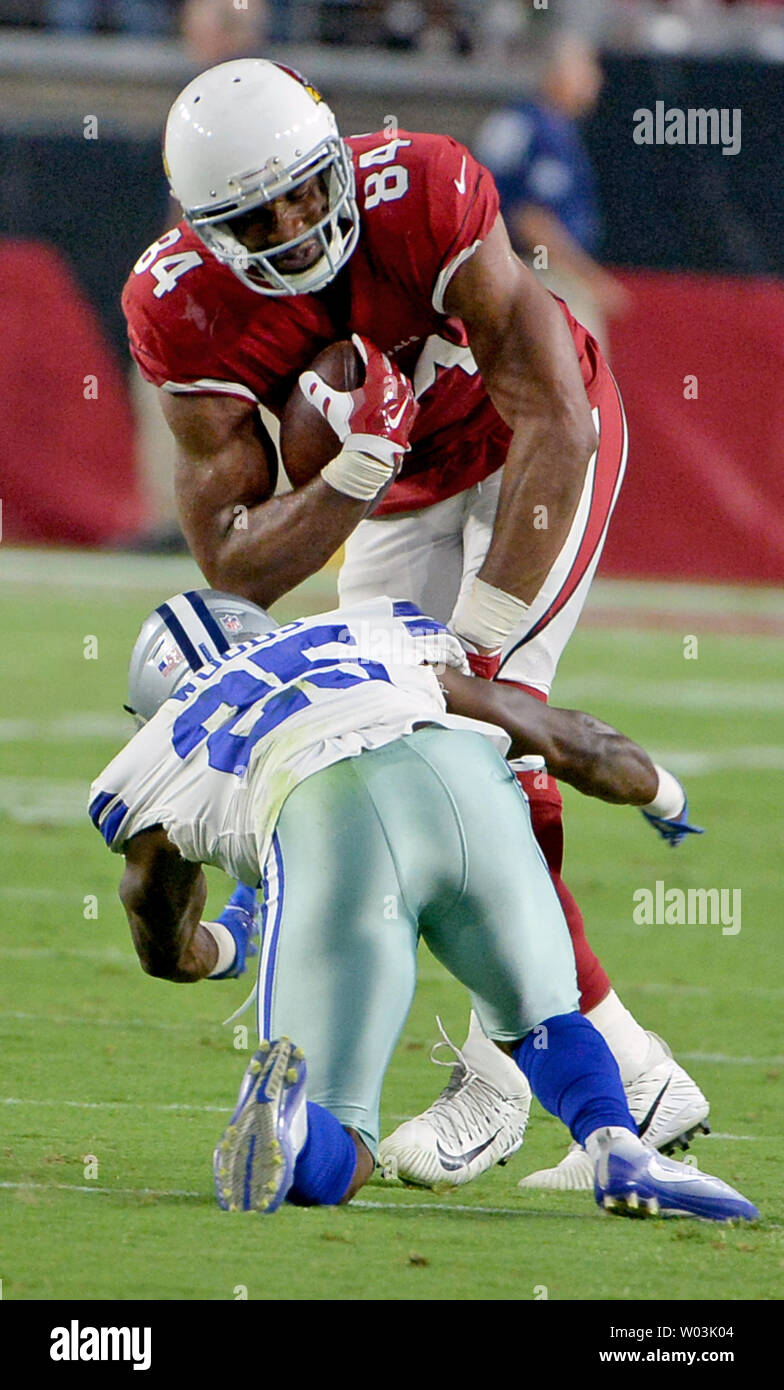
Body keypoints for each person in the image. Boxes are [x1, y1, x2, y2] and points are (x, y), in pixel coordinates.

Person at [121, 57, 708, 1192]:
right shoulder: (179, 306)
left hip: (533, 451)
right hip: (396, 494)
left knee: (481, 739)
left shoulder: (425, 189)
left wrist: (475, 650)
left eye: (305, 190)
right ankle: (634, 1072)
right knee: (373, 749)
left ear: (335, 155)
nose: (295, 225)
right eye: (258, 216)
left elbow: (557, 415)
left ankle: (500, 1082)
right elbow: (234, 565)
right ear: (202, 229)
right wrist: (357, 472)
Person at [88, 586, 756, 1224]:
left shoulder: (159, 749)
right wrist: (661, 792)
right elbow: (557, 735)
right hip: (463, 780)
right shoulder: (354, 633)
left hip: (326, 819)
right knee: (542, 1018)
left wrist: (220, 946)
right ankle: (620, 1150)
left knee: (343, 1135)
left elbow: (164, 938)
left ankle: (297, 1130)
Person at [473, 30, 631, 353]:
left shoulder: (518, 121)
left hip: (508, 274)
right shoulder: (545, 131)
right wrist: (589, 277)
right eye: (586, 67)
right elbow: (531, 219)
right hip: (543, 277)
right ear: (558, 72)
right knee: (576, 375)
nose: (596, 79)